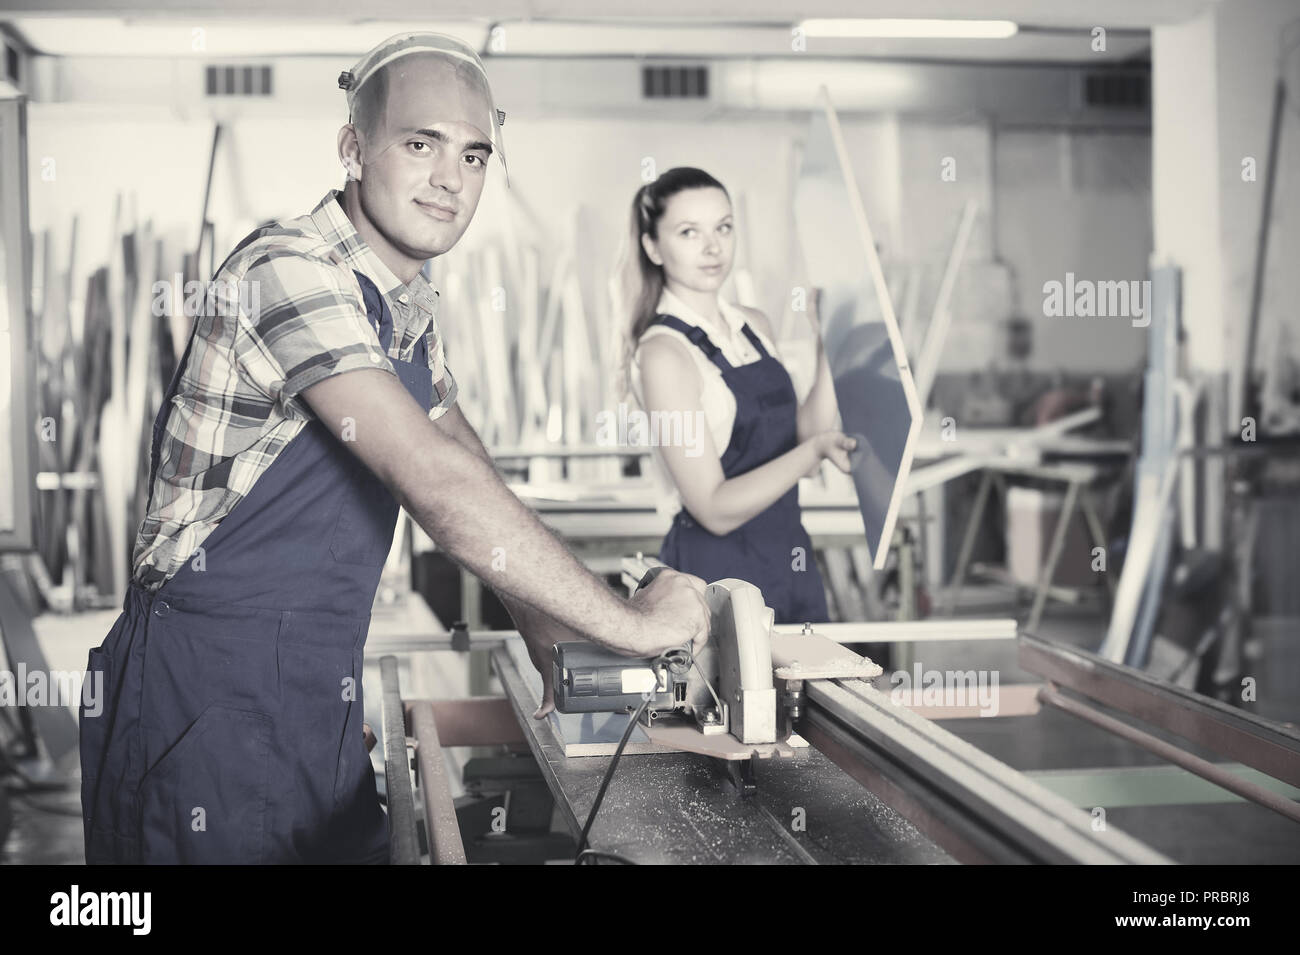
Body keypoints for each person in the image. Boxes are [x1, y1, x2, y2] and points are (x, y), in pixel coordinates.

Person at [78, 32, 709, 865]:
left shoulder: (403, 301)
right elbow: (438, 487)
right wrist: (630, 625)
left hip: (313, 692)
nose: (452, 178)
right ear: (353, 147)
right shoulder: (287, 270)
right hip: (204, 702)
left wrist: (547, 630)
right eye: (422, 144)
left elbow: (463, 458)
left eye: (475, 156)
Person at [625, 167, 855, 624]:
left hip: (789, 555)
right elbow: (712, 508)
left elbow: (803, 437)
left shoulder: (755, 325)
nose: (713, 247)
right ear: (653, 246)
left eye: (723, 228)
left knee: (813, 693)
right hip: (716, 578)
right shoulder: (664, 356)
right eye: (689, 232)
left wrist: (829, 343)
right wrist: (815, 450)